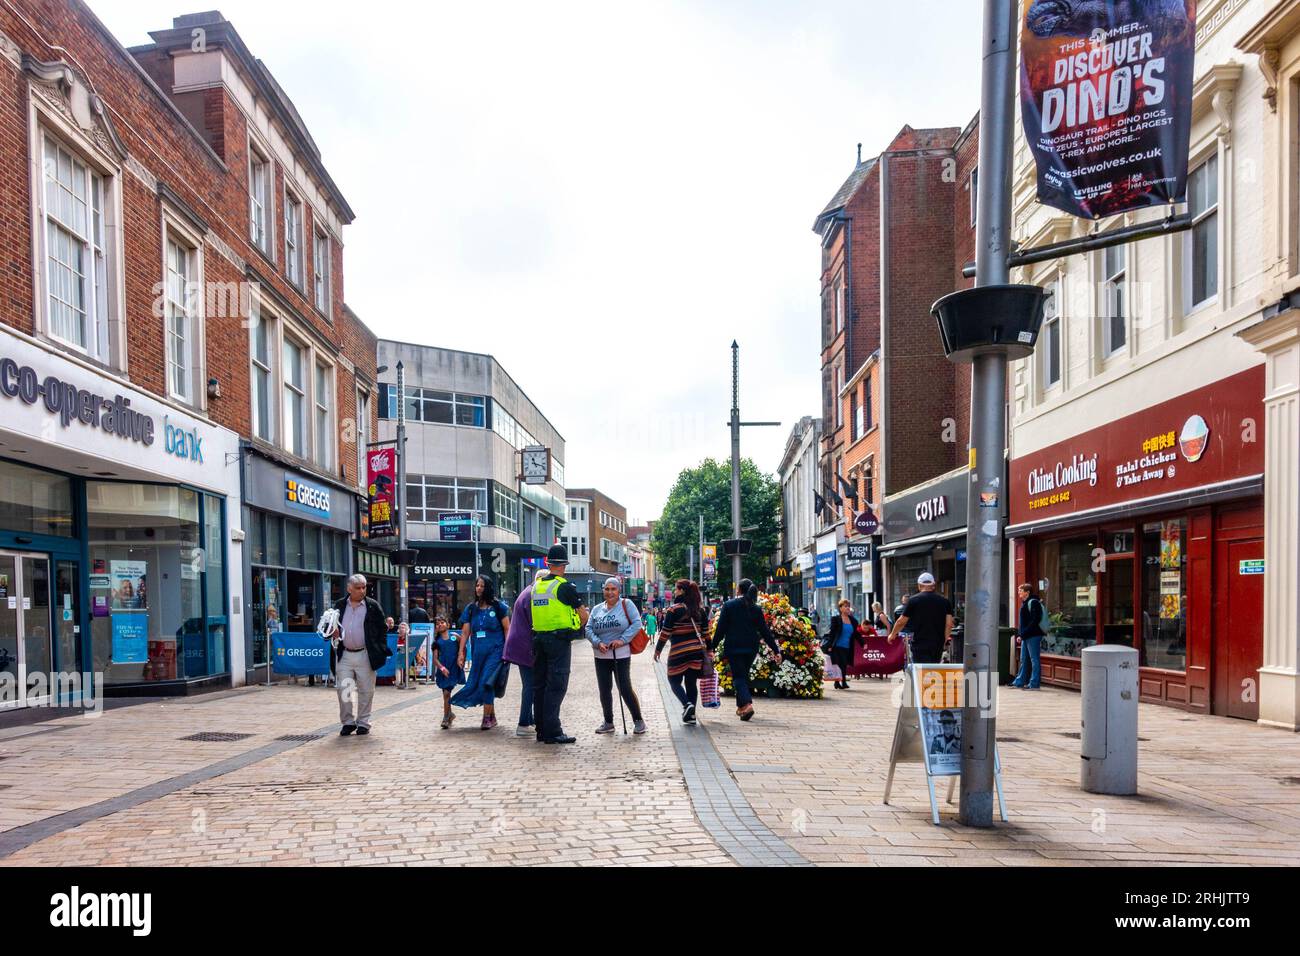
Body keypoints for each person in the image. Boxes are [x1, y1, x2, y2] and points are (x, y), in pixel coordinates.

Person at [327, 573, 403, 736]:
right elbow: (327, 628)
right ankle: (348, 722)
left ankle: (363, 722)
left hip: (365, 654)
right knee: (344, 689)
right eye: (358, 588)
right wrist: (332, 632)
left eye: (364, 587)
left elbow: (382, 628)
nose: (362, 591)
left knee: (366, 690)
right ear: (349, 588)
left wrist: (379, 646)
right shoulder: (340, 605)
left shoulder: (372, 606)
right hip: (345, 654)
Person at [529, 545, 589, 745]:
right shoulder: (564, 587)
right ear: (563, 565)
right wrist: (578, 626)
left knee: (540, 686)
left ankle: (541, 730)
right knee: (557, 685)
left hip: (538, 640)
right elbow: (583, 615)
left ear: (547, 563)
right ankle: (553, 731)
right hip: (559, 642)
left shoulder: (536, 586)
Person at [711, 579, 782, 721]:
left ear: (739, 590)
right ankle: (741, 708)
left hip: (733, 646)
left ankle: (747, 704)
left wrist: (711, 648)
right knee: (742, 676)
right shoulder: (755, 608)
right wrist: (776, 650)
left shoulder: (729, 605)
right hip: (751, 648)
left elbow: (720, 630)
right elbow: (765, 631)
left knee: (738, 677)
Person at [586, 577, 647, 735]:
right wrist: (597, 642)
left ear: (619, 591)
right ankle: (608, 722)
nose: (610, 592)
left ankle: (638, 720)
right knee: (604, 690)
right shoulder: (597, 609)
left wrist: (622, 640)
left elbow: (636, 623)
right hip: (601, 655)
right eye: (607, 589)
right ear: (603, 591)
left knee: (624, 688)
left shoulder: (627, 605)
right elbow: (588, 628)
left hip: (620, 654)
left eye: (613, 589)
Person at [451, 575, 511, 729]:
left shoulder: (499, 607)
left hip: (496, 651)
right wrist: (461, 653)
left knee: (487, 682)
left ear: (488, 588)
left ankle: (486, 718)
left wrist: (507, 651)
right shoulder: (471, 609)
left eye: (482, 586)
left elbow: (507, 629)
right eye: (477, 585)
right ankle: (493, 716)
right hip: (478, 652)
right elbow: (465, 633)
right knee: (478, 683)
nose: (479, 588)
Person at [655, 579, 710, 724]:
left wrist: (658, 650)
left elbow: (665, 632)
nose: (675, 591)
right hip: (696, 652)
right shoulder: (700, 610)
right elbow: (706, 634)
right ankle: (691, 716)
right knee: (691, 683)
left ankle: (687, 705)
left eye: (676, 589)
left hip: (679, 652)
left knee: (673, 680)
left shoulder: (674, 610)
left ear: (682, 591)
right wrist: (710, 651)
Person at [502, 570, 542, 737]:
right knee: (529, 686)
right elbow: (536, 623)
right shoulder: (533, 595)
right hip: (524, 646)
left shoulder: (527, 592)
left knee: (529, 685)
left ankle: (530, 719)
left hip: (519, 645)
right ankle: (523, 723)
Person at [887, 573, 954, 664]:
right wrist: (944, 640)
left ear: (919, 585)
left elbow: (901, 622)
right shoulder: (945, 602)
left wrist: (892, 634)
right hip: (937, 644)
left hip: (920, 643)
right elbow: (949, 624)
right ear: (933, 585)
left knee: (922, 673)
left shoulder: (914, 600)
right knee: (934, 671)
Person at [417, 614, 464, 728]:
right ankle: (447, 716)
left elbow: (463, 649)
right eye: (437, 624)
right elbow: (435, 659)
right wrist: (442, 668)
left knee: (447, 693)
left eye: (442, 622)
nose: (440, 625)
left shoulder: (455, 636)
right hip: (444, 670)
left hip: (454, 668)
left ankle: (447, 716)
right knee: (446, 693)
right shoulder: (437, 642)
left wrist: (461, 659)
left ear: (448, 624)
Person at [1011, 582, 1046, 690]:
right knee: (1023, 659)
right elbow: (1024, 622)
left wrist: (1023, 633)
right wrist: (1021, 634)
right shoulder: (1025, 602)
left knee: (1034, 659)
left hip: (1033, 635)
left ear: (1027, 592)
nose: (1018, 592)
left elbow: (1035, 620)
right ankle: (1019, 682)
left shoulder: (1033, 602)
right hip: (1026, 636)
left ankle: (1034, 684)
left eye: (1020, 590)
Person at [824, 599, 864, 690]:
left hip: (847, 645)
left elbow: (856, 633)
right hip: (837, 645)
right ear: (840, 608)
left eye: (848, 606)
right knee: (840, 664)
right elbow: (832, 633)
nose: (847, 608)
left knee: (844, 664)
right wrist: (830, 645)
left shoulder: (853, 621)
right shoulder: (836, 619)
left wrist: (862, 643)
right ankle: (843, 682)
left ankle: (837, 682)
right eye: (845, 606)